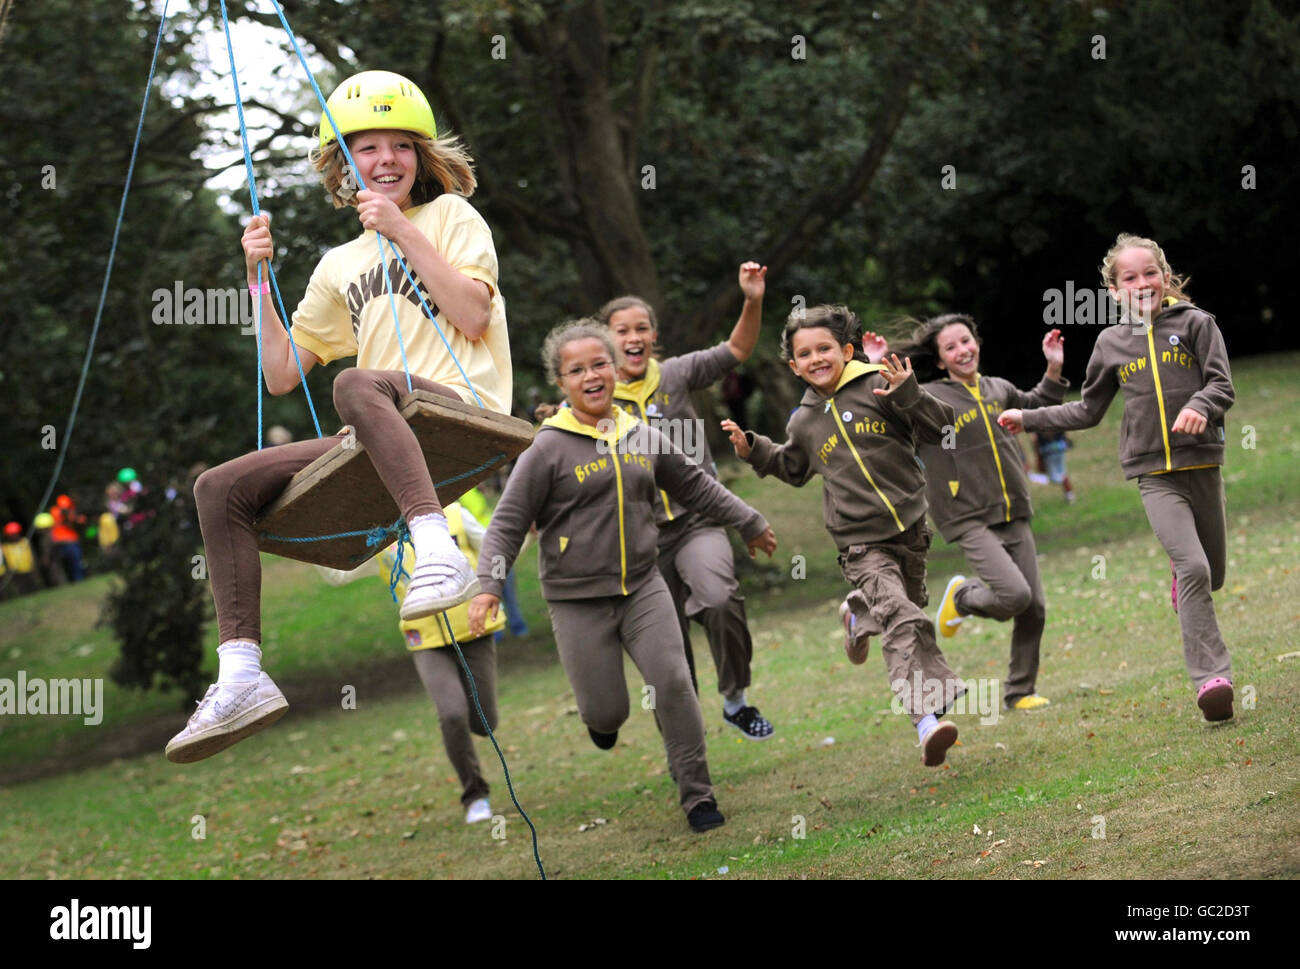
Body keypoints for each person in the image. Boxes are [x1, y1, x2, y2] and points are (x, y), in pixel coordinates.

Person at [168, 70, 511, 764]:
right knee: (217, 488)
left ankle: (437, 552)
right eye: (366, 148)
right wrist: (257, 278)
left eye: (400, 147)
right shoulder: (338, 264)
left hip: (459, 411)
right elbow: (282, 372)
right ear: (340, 165)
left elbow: (473, 314)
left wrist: (401, 232)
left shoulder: (451, 219)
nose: (385, 160)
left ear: (422, 157)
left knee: (358, 384)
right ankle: (241, 674)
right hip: (380, 427)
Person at [468, 321, 777, 832]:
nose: (591, 375)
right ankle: (601, 723)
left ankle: (698, 797)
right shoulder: (546, 448)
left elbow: (697, 487)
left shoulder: (642, 435)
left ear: (613, 369)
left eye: (599, 364)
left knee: (674, 682)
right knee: (607, 711)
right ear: (561, 382)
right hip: (576, 601)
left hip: (643, 587)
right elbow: (507, 522)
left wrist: (751, 521)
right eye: (577, 369)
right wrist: (489, 587)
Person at [1000, 233, 1236, 722]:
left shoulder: (1196, 325)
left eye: (1150, 273)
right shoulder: (1111, 344)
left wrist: (1200, 406)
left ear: (1165, 278)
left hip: (1202, 465)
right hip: (1154, 475)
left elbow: (1221, 384)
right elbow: (1088, 410)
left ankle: (1183, 578)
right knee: (1193, 568)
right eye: (1130, 277)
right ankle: (1213, 680)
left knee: (1210, 573)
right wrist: (1029, 420)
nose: (1142, 283)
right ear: (1113, 290)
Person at [722, 305, 966, 767]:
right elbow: (791, 468)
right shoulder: (804, 422)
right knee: (904, 622)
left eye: (824, 349)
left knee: (907, 611)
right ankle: (926, 721)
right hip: (859, 544)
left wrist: (909, 394)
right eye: (804, 354)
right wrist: (754, 448)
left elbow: (943, 428)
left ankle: (857, 615)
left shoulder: (880, 385)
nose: (815, 358)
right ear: (794, 366)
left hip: (912, 531)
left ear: (846, 351)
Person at [600, 262, 776, 740]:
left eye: (641, 328)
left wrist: (752, 299)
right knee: (667, 650)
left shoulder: (678, 374)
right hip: (641, 542)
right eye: (622, 331)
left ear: (653, 336)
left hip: (699, 521)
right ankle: (685, 743)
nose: (632, 337)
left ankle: (736, 699)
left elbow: (738, 349)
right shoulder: (595, 398)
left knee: (719, 598)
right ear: (607, 340)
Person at [892, 315, 1068, 712]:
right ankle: (964, 596)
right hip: (966, 514)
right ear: (939, 361)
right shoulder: (932, 398)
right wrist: (882, 370)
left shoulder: (998, 389)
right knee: (1015, 594)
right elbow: (903, 404)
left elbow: (1039, 407)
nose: (962, 350)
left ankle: (1019, 691)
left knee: (1034, 607)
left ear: (978, 343)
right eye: (951, 347)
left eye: (966, 341)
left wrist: (1054, 367)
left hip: (1012, 508)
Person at [317, 501, 503, 824]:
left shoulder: (455, 513)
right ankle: (475, 795)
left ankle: (481, 731)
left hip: (474, 630)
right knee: (452, 714)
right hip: (426, 641)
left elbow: (495, 553)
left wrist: (526, 536)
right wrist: (304, 535)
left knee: (484, 722)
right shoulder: (380, 537)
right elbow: (337, 575)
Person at [48, 494, 86, 582]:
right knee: (66, 563)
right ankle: (70, 580)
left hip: (71, 540)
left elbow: (78, 521)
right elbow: (67, 521)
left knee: (76, 561)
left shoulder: (70, 510)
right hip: (61, 542)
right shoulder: (55, 511)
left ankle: (78, 579)